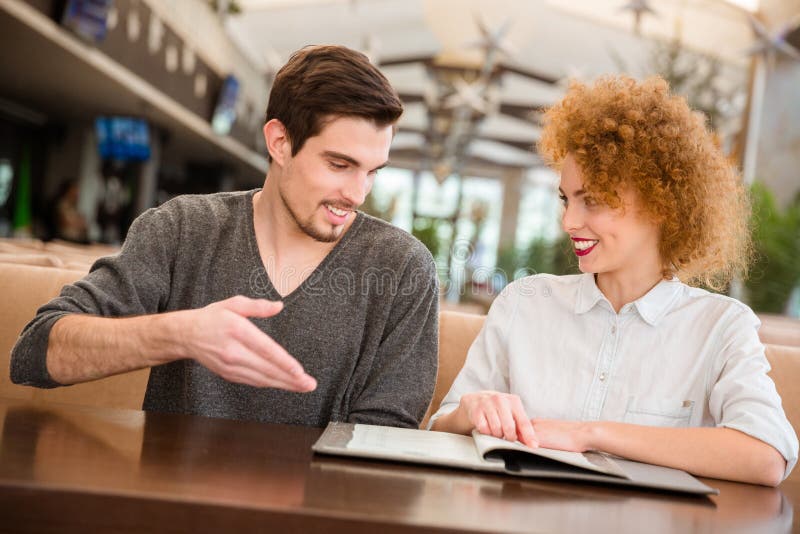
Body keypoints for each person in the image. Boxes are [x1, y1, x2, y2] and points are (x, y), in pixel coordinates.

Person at [11, 45, 439, 428]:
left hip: (314, 512)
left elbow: (384, 440)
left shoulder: (402, 268)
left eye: (372, 172)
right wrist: (180, 334)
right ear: (280, 142)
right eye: (339, 165)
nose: (357, 193)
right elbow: (35, 353)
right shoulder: (182, 229)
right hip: (171, 506)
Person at [430, 75, 798, 486]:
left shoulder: (720, 326)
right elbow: (439, 429)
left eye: (594, 200)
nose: (569, 222)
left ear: (662, 203)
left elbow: (767, 455)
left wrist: (590, 433)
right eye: (566, 199)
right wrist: (468, 412)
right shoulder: (524, 302)